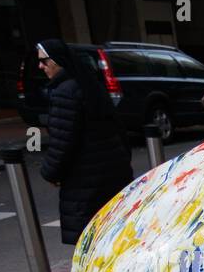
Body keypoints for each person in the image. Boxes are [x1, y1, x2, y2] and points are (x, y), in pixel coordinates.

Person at [36, 39, 133, 246]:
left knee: (92, 241)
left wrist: (50, 173)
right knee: (113, 235)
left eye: (44, 61)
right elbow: (118, 128)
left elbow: (63, 142)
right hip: (112, 172)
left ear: (58, 61)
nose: (41, 67)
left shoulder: (65, 92)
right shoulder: (88, 83)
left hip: (85, 180)